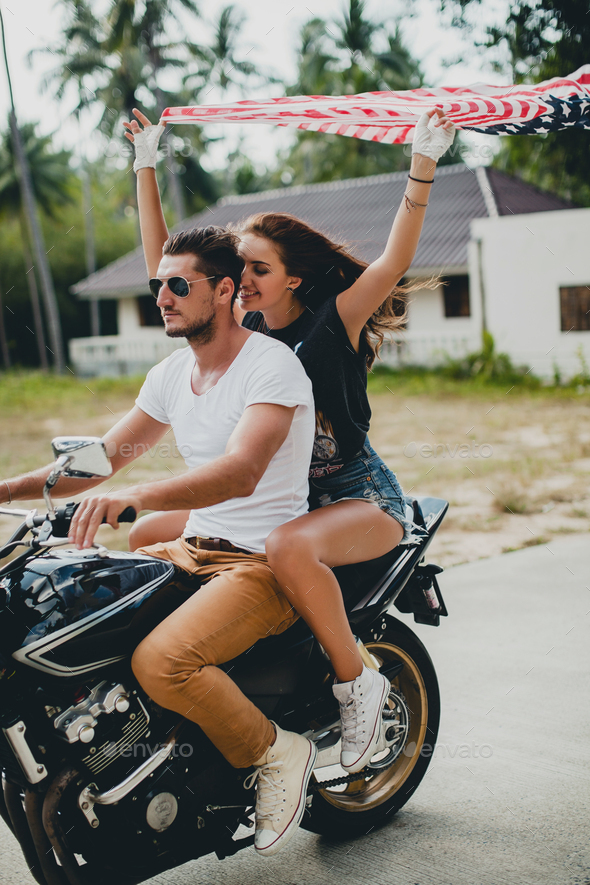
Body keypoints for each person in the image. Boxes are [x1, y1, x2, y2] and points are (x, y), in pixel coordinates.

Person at [123, 106, 455, 774]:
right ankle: (219, 665)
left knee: (288, 547)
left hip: (358, 496)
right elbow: (169, 266)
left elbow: (394, 260)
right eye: (238, 269)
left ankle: (357, 684)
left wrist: (422, 162)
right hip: (284, 498)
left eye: (258, 269)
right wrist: (146, 166)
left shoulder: (335, 320)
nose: (242, 280)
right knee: (144, 532)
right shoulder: (243, 329)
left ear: (293, 279)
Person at [0, 225, 322, 857]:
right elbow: (100, 459)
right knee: (78, 619)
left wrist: (139, 497)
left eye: (178, 284)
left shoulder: (271, 365)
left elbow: (241, 471)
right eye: (157, 284)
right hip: (193, 549)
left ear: (224, 290)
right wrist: (7, 488)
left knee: (162, 662)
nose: (162, 296)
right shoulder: (173, 373)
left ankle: (276, 752)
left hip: (262, 563)